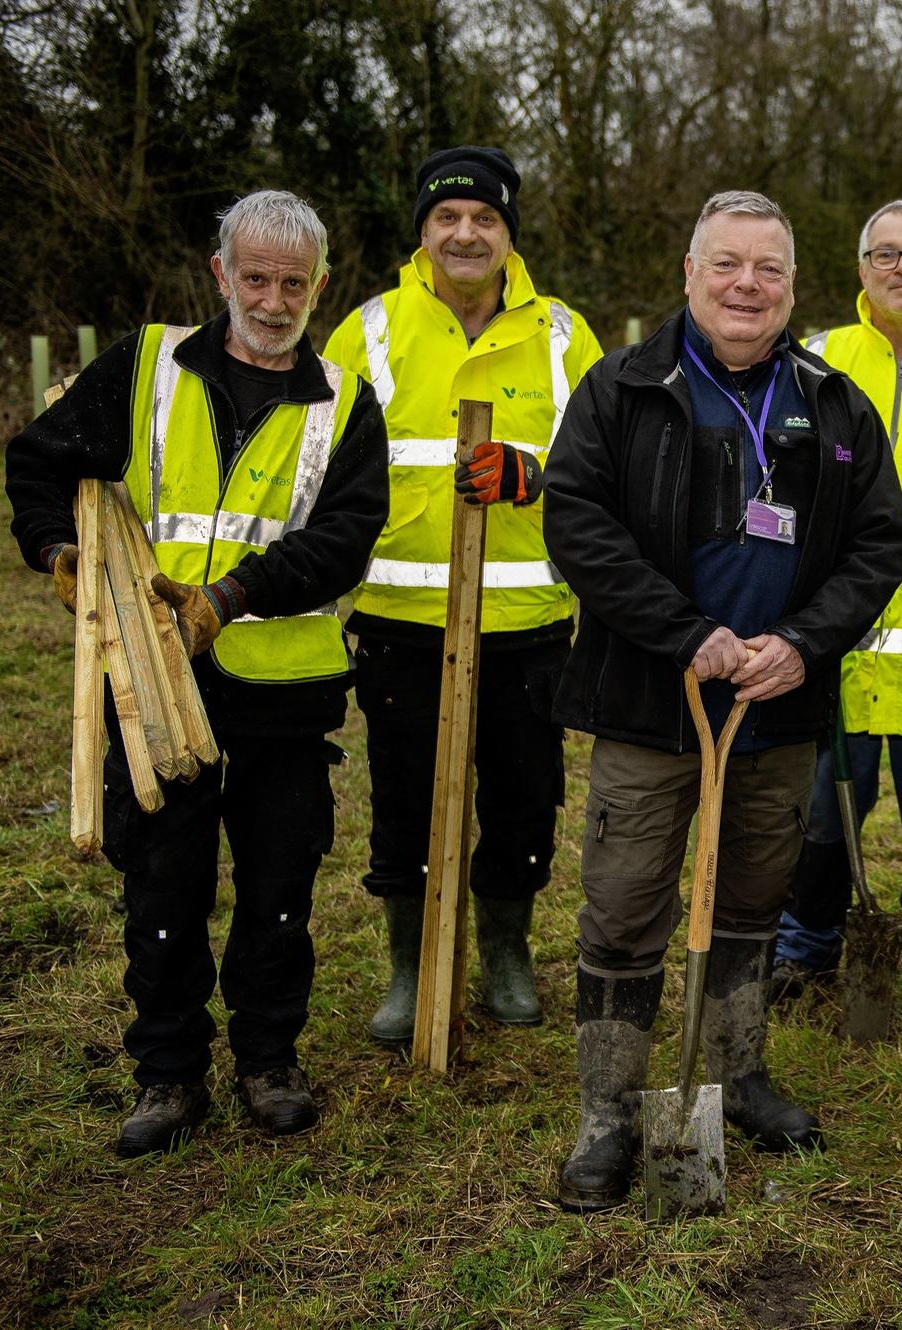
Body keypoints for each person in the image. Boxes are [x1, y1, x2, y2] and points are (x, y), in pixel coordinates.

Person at [543, 190, 902, 1211]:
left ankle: (732, 1074)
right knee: (623, 908)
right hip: (650, 700)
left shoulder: (833, 400)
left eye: (769, 270)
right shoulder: (621, 388)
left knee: (753, 898)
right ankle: (609, 1110)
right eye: (727, 265)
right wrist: (684, 634)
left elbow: (881, 542)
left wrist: (801, 643)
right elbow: (577, 524)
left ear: (795, 286)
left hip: (778, 703)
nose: (747, 286)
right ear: (690, 274)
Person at [5, 190, 388, 1155]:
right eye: (254, 278)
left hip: (287, 697)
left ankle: (267, 1060)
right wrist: (60, 554)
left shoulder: (344, 403)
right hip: (149, 684)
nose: (271, 300)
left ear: (321, 288)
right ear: (220, 274)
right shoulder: (147, 366)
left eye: (292, 283)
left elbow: (344, 541)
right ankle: (168, 1075)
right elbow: (38, 462)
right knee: (163, 885)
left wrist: (234, 595)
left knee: (278, 887)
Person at [322, 146, 604, 1040]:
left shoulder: (563, 335)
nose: (465, 233)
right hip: (402, 621)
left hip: (526, 624)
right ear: (423, 231)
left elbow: (611, 466)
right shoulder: (368, 331)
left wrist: (537, 473)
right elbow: (323, 469)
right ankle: (411, 967)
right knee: (404, 798)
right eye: (447, 218)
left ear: (509, 235)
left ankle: (506, 955)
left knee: (522, 800)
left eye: (485, 218)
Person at [774, 200, 902, 1013]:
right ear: (860, 267)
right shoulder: (816, 360)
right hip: (835, 643)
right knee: (822, 814)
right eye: (886, 253)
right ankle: (806, 943)